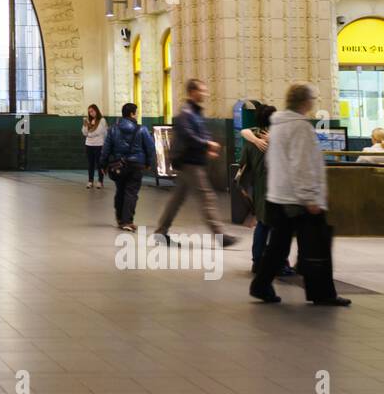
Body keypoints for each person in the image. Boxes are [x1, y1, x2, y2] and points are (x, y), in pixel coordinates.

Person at [250, 82, 351, 306]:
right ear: (305, 102)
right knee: (316, 246)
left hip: (278, 194)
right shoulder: (300, 127)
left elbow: (273, 161)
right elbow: (302, 165)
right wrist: (311, 197)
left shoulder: (278, 125)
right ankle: (322, 293)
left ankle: (261, 285)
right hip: (298, 199)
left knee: (278, 245)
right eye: (312, 100)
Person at [154, 78, 237, 247]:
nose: (205, 93)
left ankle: (161, 231)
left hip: (190, 161)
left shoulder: (195, 112)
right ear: (193, 92)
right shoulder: (186, 113)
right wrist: (207, 144)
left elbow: (200, 132)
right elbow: (188, 135)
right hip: (190, 162)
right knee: (207, 198)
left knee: (176, 199)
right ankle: (221, 236)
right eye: (202, 90)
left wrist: (207, 146)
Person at [238, 102, 293, 276]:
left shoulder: (251, 138)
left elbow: (243, 163)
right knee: (280, 228)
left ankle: (257, 261)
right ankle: (280, 263)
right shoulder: (281, 136)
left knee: (262, 224)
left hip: (260, 187)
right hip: (279, 186)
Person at [100, 103, 155, 231]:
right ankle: (127, 221)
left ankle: (120, 219)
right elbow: (151, 148)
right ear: (132, 114)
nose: (137, 115)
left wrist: (103, 164)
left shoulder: (113, 129)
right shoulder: (142, 129)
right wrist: (148, 163)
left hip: (118, 164)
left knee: (120, 190)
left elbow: (106, 148)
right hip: (136, 165)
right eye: (136, 112)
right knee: (131, 192)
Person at [82, 104, 107, 189]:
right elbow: (84, 133)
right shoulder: (88, 121)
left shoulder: (102, 120)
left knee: (99, 164)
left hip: (99, 144)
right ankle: (90, 181)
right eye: (89, 112)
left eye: (92, 111)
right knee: (90, 164)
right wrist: (86, 125)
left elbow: (98, 132)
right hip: (89, 144)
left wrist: (90, 128)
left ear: (96, 110)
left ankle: (100, 181)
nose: (91, 113)